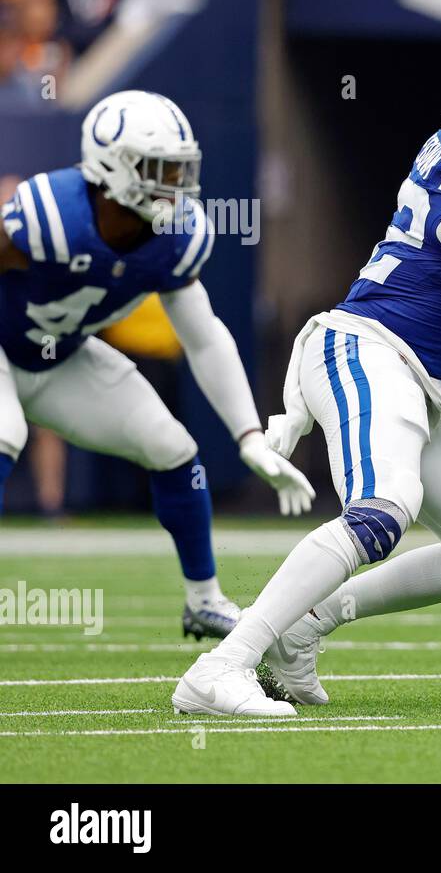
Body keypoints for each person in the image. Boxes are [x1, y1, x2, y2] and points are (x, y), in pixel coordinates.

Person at [172, 28, 441, 716]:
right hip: (368, 350)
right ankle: (222, 665)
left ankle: (308, 621)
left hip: (409, 376)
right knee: (382, 510)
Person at [0, 90, 315, 639]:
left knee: (174, 448)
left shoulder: (177, 236)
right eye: (159, 168)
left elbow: (205, 336)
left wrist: (246, 435)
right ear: (110, 166)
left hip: (63, 357)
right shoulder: (50, 213)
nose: (175, 182)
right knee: (4, 431)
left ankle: (204, 600)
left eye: (180, 167)